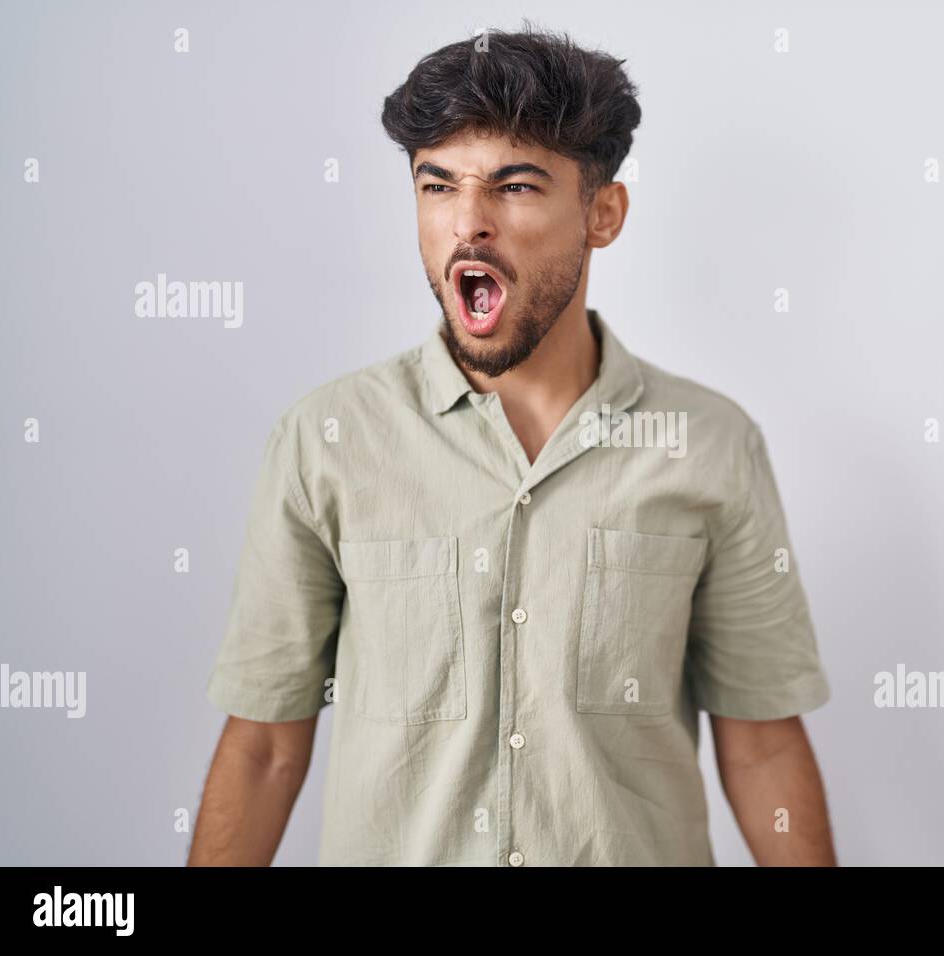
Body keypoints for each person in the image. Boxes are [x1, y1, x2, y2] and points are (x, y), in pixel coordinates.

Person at [189, 23, 834, 867]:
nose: (468, 223)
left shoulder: (711, 446)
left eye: (516, 186)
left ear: (603, 213)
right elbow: (266, 749)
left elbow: (759, 745)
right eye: (437, 185)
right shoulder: (327, 441)